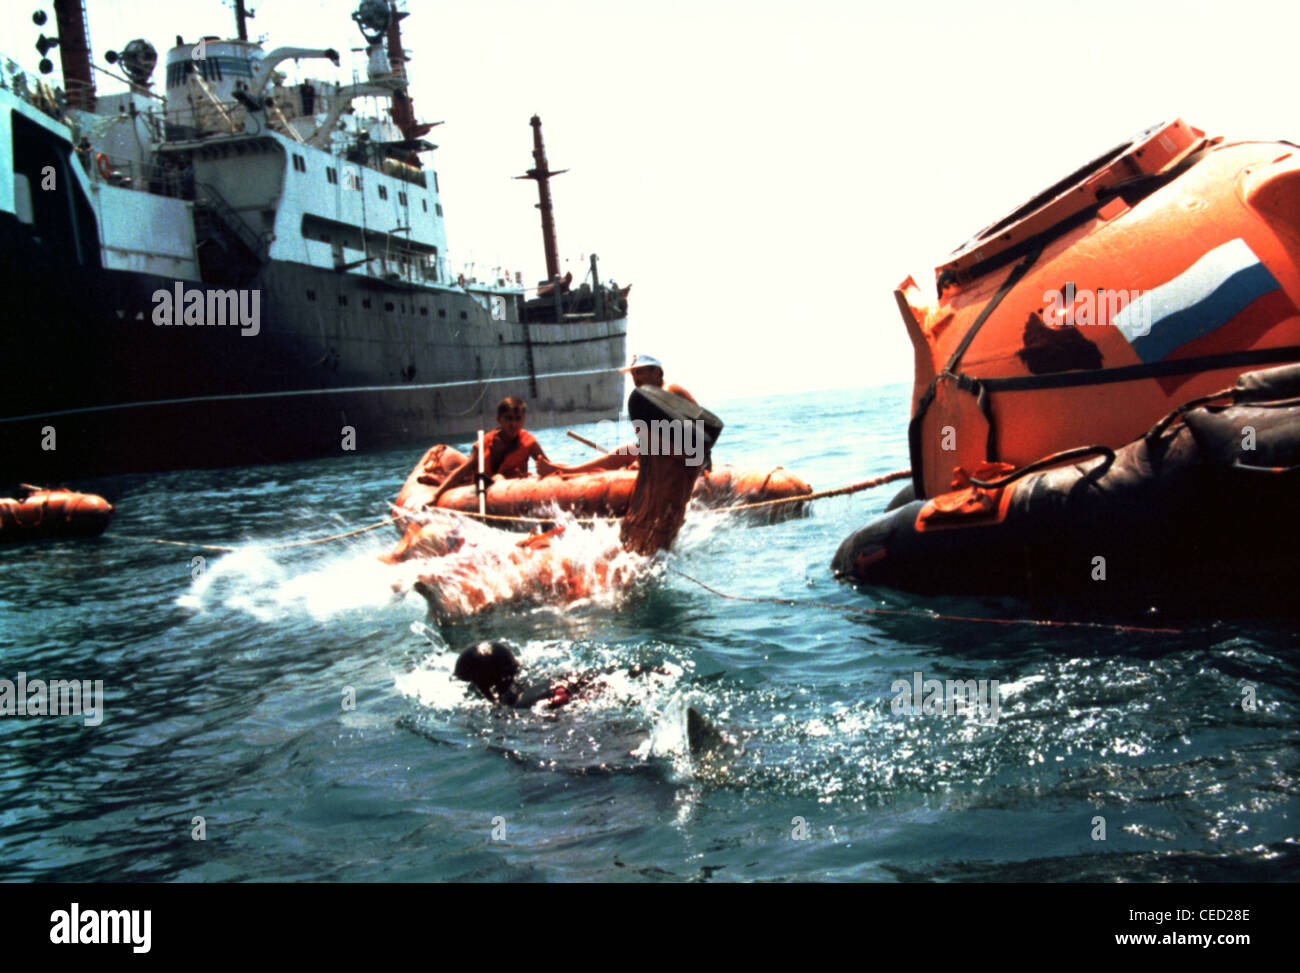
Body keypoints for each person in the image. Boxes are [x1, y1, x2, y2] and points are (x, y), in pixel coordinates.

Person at [536, 354, 695, 476]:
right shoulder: (651, 397)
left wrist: (643, 461)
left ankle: (565, 471)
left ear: (657, 372)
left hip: (685, 456)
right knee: (626, 451)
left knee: (626, 453)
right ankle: (567, 470)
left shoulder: (668, 391)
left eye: (639, 372)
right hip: (677, 453)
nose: (636, 379)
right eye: (633, 374)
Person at [427, 397, 553, 506]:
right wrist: (436, 495)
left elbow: (549, 467)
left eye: (517, 419)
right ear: (499, 419)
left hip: (514, 492)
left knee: (499, 477)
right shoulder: (484, 443)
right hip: (483, 491)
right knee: (497, 477)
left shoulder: (529, 442)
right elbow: (461, 471)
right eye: (508, 419)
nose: (513, 424)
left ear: (523, 419)